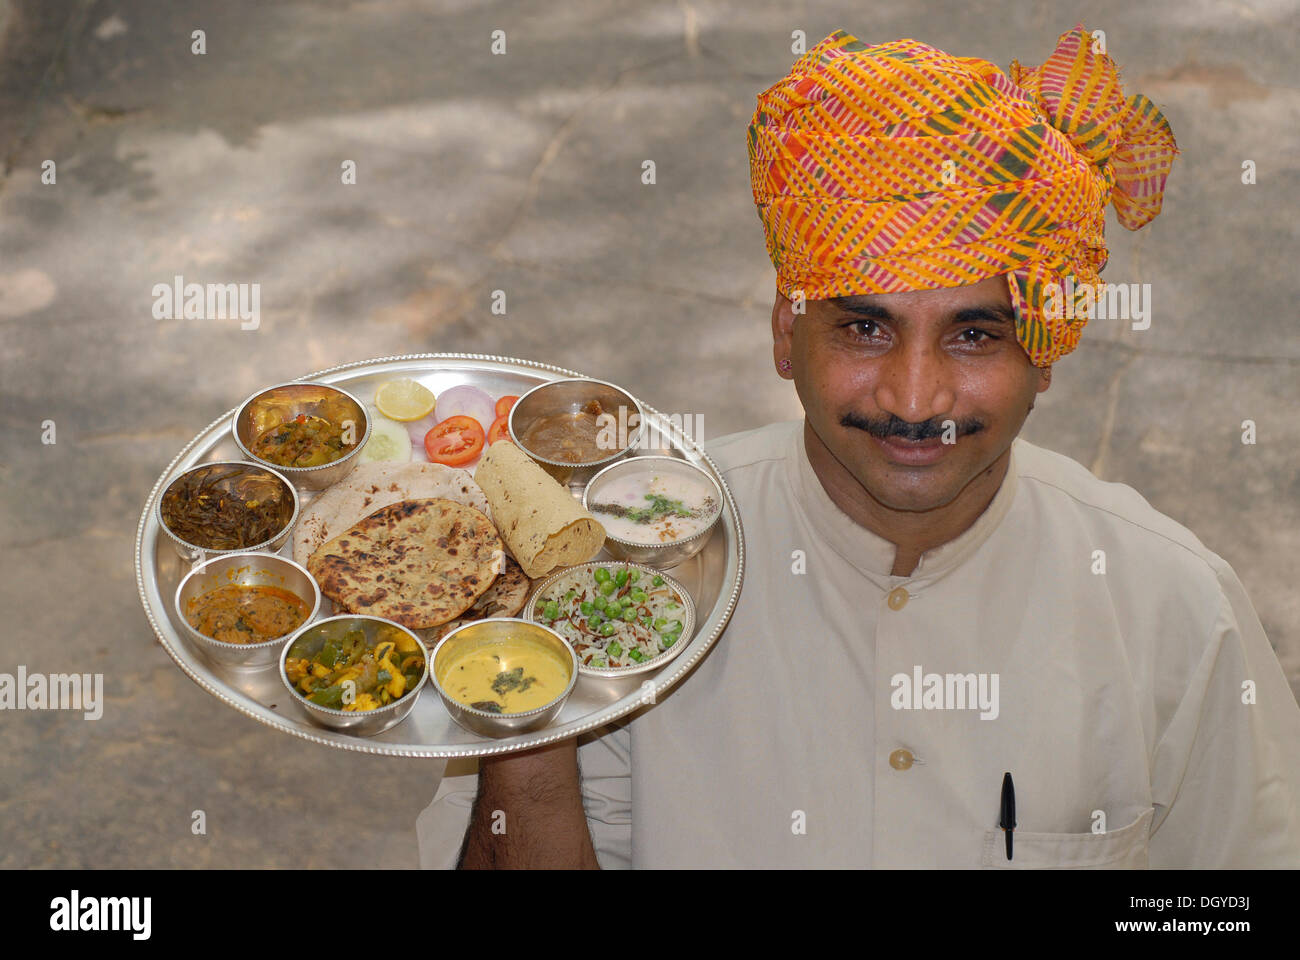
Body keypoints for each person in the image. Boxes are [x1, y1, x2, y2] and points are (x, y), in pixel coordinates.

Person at [416, 25, 1300, 868]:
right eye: (867, 327)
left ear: (1048, 347)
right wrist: (531, 705)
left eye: (975, 335)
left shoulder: (1169, 605)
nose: (915, 399)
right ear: (783, 333)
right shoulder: (628, 570)